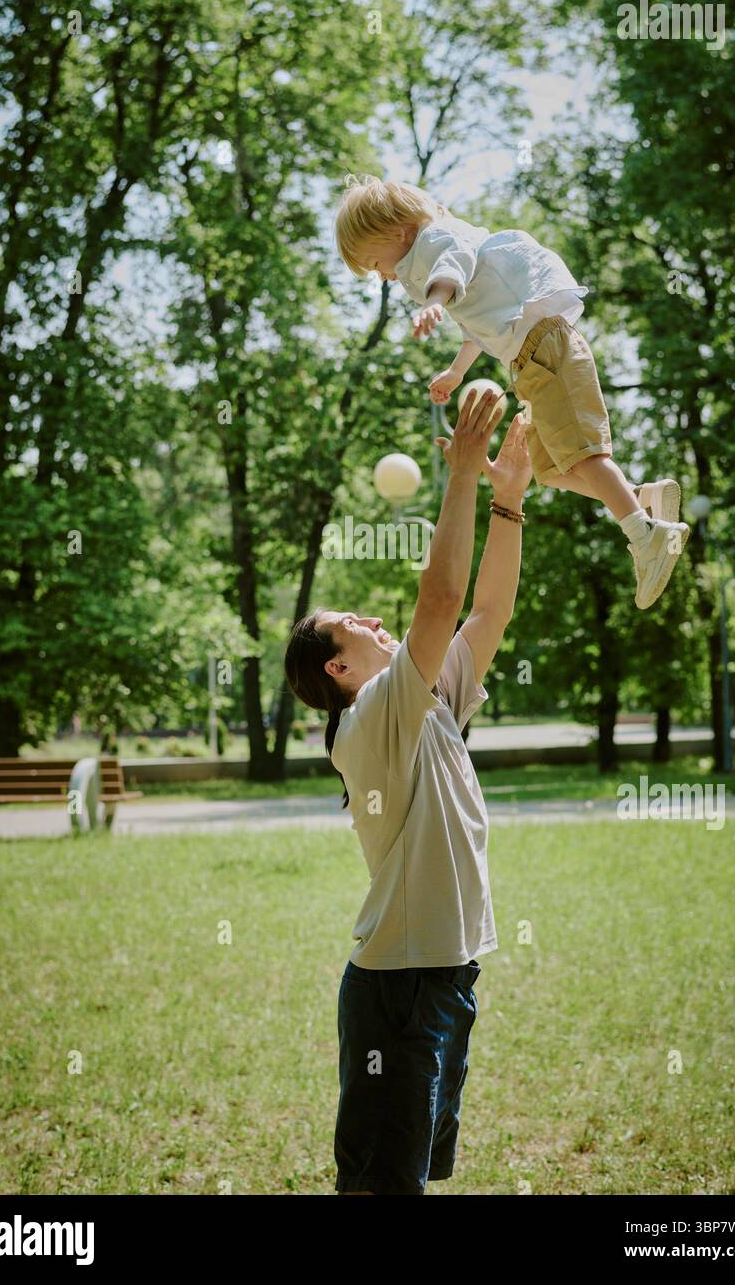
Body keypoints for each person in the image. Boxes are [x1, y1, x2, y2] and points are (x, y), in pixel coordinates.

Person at [284, 389, 531, 1195]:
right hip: (400, 988)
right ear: (338, 669)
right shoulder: (371, 719)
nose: (368, 617)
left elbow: (487, 610)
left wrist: (509, 501)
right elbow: (441, 599)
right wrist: (462, 475)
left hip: (447, 976)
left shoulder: (420, 701)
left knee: (410, 1172)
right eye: (349, 621)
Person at [334, 173, 690, 610]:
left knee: (584, 455)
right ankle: (639, 497)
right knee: (551, 469)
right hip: (527, 361)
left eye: (374, 263)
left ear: (397, 232)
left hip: (545, 345)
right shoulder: (443, 268)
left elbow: (452, 264)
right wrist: (456, 371)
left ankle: (645, 534)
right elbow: (477, 330)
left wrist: (433, 300)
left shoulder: (436, 241)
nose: (382, 276)